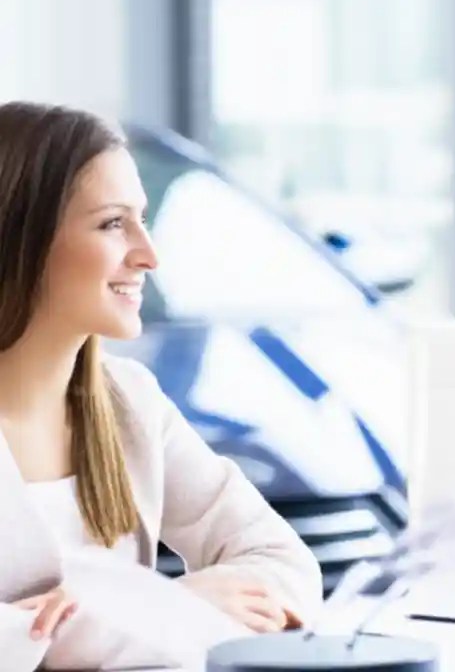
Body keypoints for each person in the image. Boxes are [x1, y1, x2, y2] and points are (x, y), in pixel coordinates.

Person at [0, 102, 322, 665]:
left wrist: (122, 617)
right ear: (21, 237)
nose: (148, 255)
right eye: (112, 224)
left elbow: (284, 564)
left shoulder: (129, 400)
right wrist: (165, 611)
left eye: (142, 220)